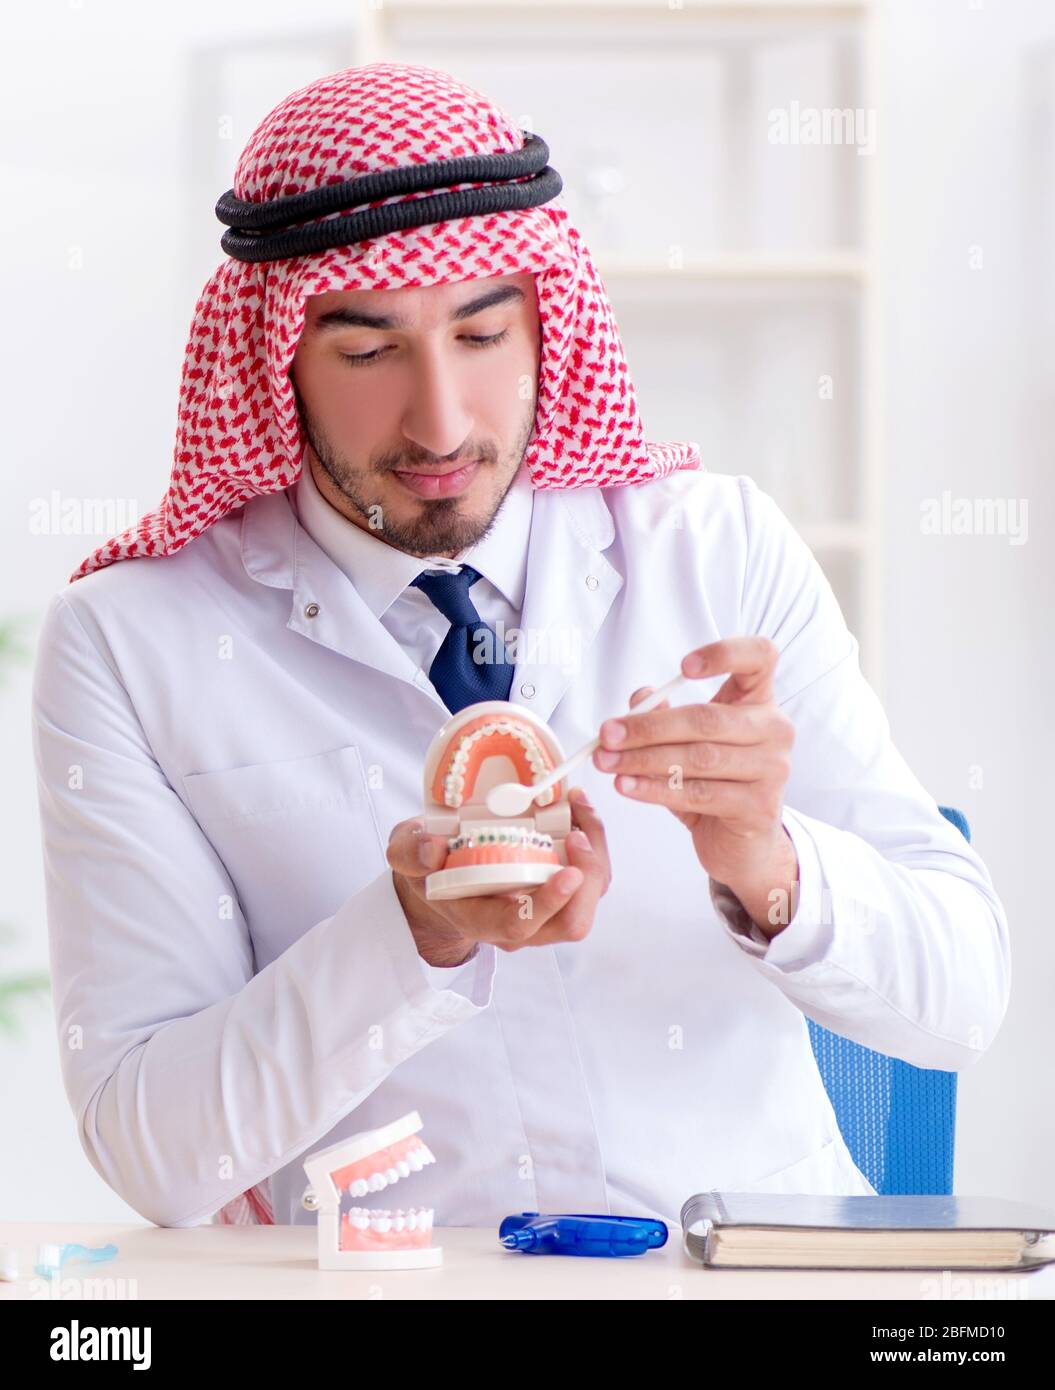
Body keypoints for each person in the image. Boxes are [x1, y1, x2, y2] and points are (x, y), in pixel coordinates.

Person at [31, 63, 1009, 1231]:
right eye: (365, 352)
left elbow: (963, 1000)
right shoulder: (133, 643)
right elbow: (153, 1146)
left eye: (483, 332)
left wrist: (768, 860)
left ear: (549, 322)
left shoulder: (719, 553)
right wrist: (412, 937)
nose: (440, 422)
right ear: (276, 356)